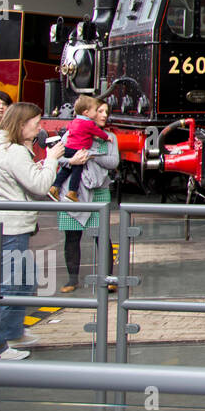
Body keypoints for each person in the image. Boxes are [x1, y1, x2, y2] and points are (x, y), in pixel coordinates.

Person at [0, 101, 85, 360]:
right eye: (35, 124)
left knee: (25, 278)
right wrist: (51, 160)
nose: (39, 129)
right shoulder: (14, 151)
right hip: (10, 228)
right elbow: (39, 186)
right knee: (12, 286)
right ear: (21, 125)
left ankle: (12, 331)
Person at [58, 99, 118, 294]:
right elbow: (59, 156)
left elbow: (113, 162)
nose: (103, 115)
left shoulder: (109, 137)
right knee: (72, 234)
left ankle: (107, 278)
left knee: (102, 235)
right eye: (99, 111)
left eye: (106, 112)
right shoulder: (72, 132)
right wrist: (73, 159)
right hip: (72, 191)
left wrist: (92, 155)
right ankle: (72, 279)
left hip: (98, 190)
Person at [49, 95, 105, 202]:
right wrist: (107, 137)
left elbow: (69, 128)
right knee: (76, 171)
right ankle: (72, 192)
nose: (97, 113)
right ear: (86, 113)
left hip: (69, 148)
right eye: (96, 110)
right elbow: (98, 132)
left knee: (66, 169)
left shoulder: (74, 121)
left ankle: (54, 187)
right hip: (78, 150)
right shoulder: (89, 123)